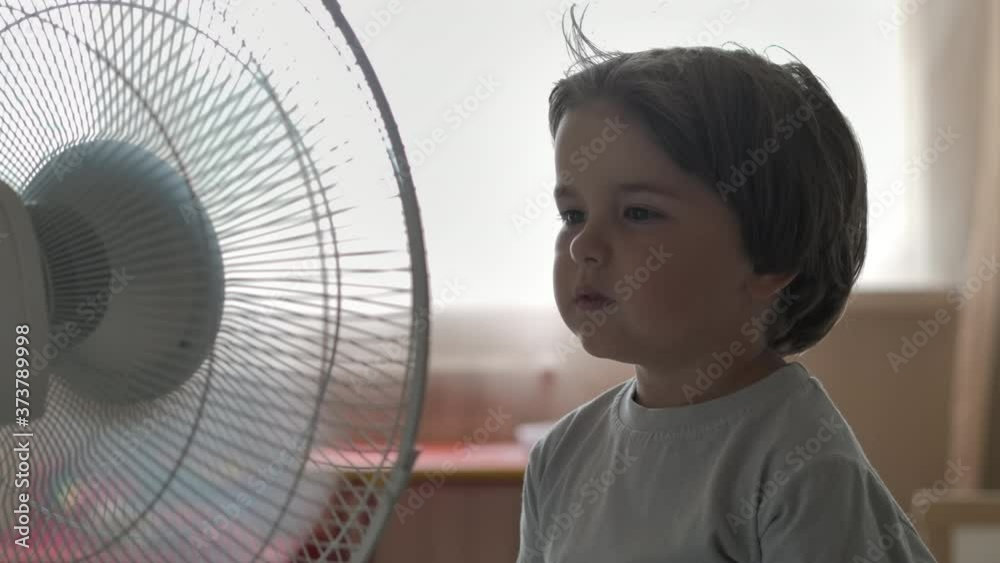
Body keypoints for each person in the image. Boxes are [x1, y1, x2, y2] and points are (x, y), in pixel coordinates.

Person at [517, 8, 937, 563]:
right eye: (572, 214)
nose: (584, 245)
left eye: (639, 213)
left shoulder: (801, 466)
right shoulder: (560, 458)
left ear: (771, 257)